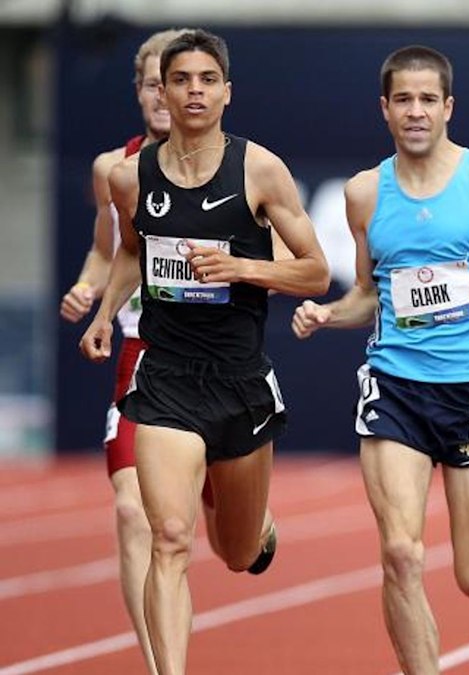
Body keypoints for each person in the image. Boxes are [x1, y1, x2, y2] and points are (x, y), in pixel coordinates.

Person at [290, 45, 469, 673]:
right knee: (401, 553)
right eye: (404, 100)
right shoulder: (364, 193)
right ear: (385, 108)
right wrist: (329, 314)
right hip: (395, 388)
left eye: (427, 100)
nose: (416, 111)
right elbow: (367, 293)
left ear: (448, 107)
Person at [80, 29, 330, 674]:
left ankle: (257, 528)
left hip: (239, 381)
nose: (194, 91)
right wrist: (105, 316)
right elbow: (132, 251)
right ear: (161, 92)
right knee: (168, 538)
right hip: (165, 376)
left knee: (239, 553)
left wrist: (242, 268)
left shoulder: (259, 169)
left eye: (207, 80)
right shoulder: (128, 177)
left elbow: (315, 272)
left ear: (227, 93)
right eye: (181, 80)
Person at [58, 28, 216, 675]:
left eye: (173, 82)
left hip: (218, 364)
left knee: (233, 540)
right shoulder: (113, 170)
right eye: (153, 83)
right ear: (141, 91)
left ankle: (247, 516)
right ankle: (159, 666)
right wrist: (88, 289)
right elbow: (109, 249)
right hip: (143, 356)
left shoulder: (233, 164)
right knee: (134, 512)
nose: (162, 95)